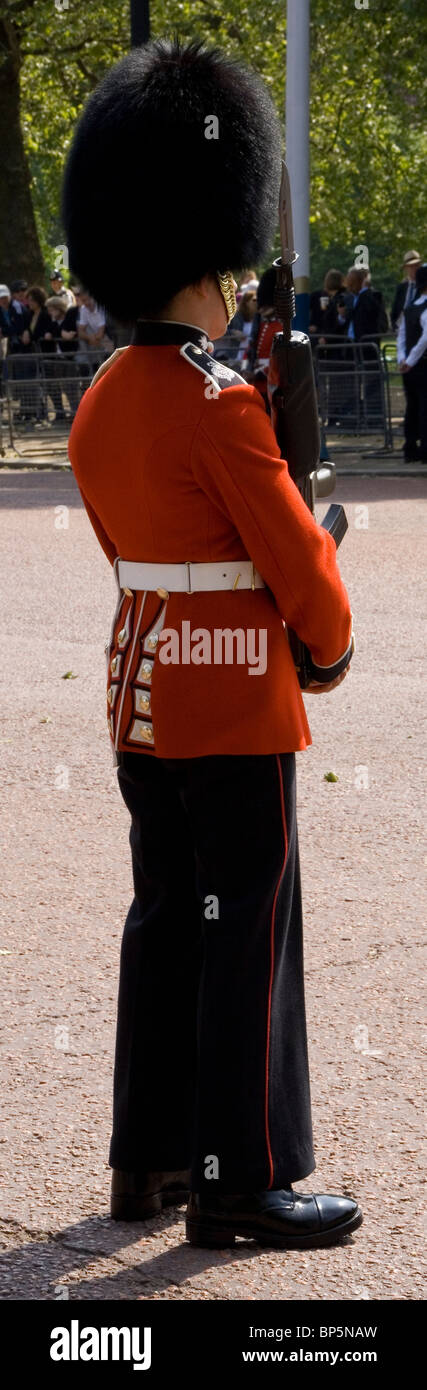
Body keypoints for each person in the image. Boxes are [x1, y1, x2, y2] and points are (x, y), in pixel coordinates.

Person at [63, 37, 362, 1250]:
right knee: (248, 921)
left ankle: (147, 1158)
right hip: (237, 707)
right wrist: (324, 582)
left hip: (142, 702)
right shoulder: (220, 403)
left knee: (164, 915)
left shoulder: (98, 404)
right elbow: (308, 589)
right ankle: (244, 1173)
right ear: (210, 254)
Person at [397, 261, 427, 463]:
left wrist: (403, 359)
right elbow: (426, 338)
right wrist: (412, 360)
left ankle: (410, 448)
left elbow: (401, 336)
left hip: (409, 367)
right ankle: (425, 449)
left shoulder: (409, 309)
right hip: (423, 364)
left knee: (412, 407)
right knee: (425, 407)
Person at [391, 250, 422, 332]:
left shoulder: (424, 287)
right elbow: (394, 311)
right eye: (411, 266)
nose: (414, 269)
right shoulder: (401, 288)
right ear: (406, 268)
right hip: (402, 330)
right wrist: (396, 327)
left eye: (416, 265)